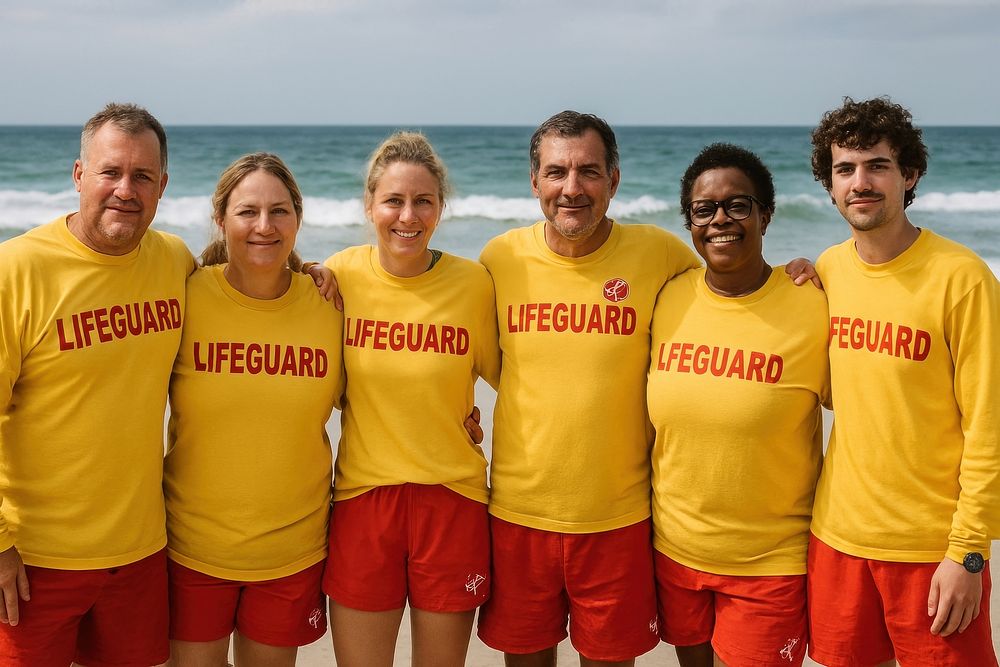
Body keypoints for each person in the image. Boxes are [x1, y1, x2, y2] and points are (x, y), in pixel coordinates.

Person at [474, 110, 700, 667]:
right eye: (556, 173)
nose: (571, 188)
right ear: (534, 183)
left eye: (588, 172)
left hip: (619, 518)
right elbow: (462, 355)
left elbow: (732, 298)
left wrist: (796, 275)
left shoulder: (662, 255)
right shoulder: (499, 260)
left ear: (614, 180)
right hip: (518, 514)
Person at [807, 97, 999, 667]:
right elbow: (831, 391)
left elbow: (989, 424)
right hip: (837, 540)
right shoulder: (827, 271)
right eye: (845, 169)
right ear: (829, 182)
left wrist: (969, 553)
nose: (859, 182)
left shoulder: (961, 277)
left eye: (877, 166)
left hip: (931, 551)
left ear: (908, 174)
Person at [0, 103, 193, 665]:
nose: (125, 190)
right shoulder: (17, 271)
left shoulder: (174, 261)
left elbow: (247, 279)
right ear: (80, 175)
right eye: (110, 172)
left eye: (143, 176)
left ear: (163, 185)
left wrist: (311, 274)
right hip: (34, 561)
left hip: (139, 553)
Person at [320, 132, 501, 667]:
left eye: (423, 201)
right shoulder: (339, 275)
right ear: (370, 205)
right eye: (394, 200)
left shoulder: (473, 284)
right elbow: (316, 381)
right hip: (364, 499)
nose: (408, 215)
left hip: (453, 500)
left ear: (441, 207)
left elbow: (520, 380)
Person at [648, 144, 829, 667]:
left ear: (765, 215)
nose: (720, 219)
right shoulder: (667, 297)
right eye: (704, 209)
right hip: (675, 554)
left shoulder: (813, 303)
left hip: (769, 563)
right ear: (689, 222)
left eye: (738, 205)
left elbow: (875, 405)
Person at [163, 153, 344, 666]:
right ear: (220, 220)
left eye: (279, 211)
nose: (264, 226)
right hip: (191, 548)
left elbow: (382, 391)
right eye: (247, 212)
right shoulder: (184, 295)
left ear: (298, 219)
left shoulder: (330, 305)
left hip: (292, 550)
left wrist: (461, 414)